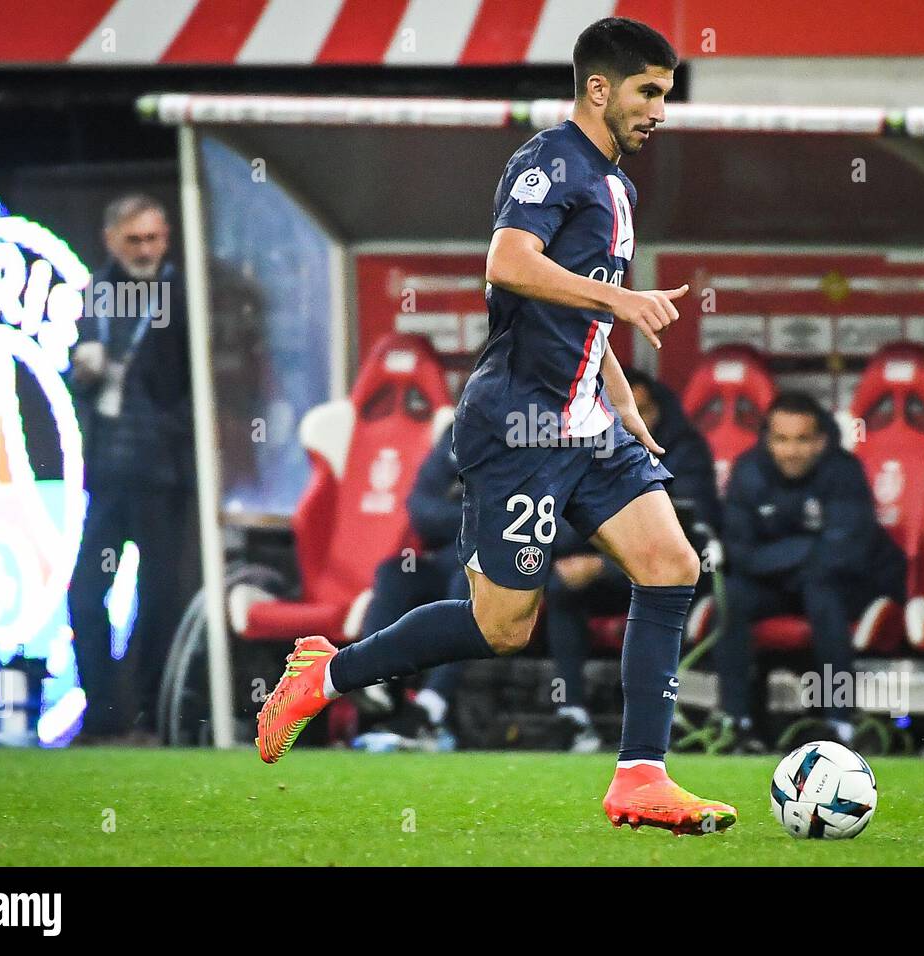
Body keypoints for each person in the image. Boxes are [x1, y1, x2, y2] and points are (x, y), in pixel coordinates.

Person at [256, 17, 737, 835]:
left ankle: (640, 779)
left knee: (670, 565)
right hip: (519, 426)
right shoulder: (551, 159)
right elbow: (509, 264)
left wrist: (614, 388)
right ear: (598, 88)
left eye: (666, 92)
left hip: (583, 422)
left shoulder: (615, 184)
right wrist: (621, 303)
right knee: (501, 627)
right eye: (647, 91)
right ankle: (327, 674)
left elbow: (564, 308)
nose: (660, 108)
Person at [713, 391, 906, 752]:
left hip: (844, 585)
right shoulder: (748, 471)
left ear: (820, 440)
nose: (791, 451)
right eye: (782, 439)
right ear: (768, 439)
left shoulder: (844, 471)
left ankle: (839, 721)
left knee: (823, 589)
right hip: (776, 585)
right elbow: (739, 554)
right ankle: (734, 722)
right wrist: (804, 549)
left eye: (802, 439)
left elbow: (844, 553)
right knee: (733, 594)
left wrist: (776, 557)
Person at [67, 194, 193, 744]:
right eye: (134, 240)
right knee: (84, 595)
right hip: (108, 473)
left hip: (162, 474)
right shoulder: (95, 292)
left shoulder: (185, 295)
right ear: (111, 240)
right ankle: (103, 715)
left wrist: (176, 429)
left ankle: (149, 716)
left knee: (160, 598)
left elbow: (209, 380)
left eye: (154, 239)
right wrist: (82, 372)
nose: (145, 250)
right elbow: (80, 375)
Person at [546, 368, 721, 752]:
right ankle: (572, 714)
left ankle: (654, 731)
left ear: (655, 411)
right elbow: (560, 511)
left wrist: (602, 563)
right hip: (606, 573)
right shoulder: (585, 445)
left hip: (668, 571)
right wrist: (588, 561)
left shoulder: (685, 449)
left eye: (639, 410)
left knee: (663, 585)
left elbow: (688, 529)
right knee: (560, 587)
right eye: (618, 409)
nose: (628, 418)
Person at [355, 426, 468, 749]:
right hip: (448, 559)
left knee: (471, 579)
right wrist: (475, 514)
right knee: (395, 573)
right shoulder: (460, 430)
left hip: (502, 567)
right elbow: (420, 509)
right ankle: (374, 678)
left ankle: (430, 708)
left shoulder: (533, 430)